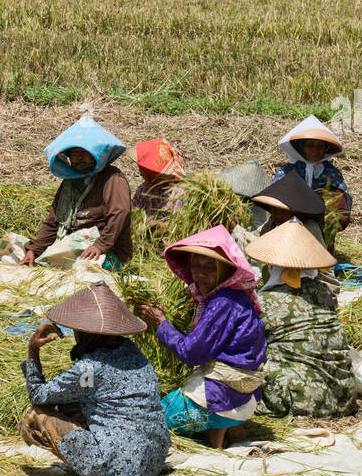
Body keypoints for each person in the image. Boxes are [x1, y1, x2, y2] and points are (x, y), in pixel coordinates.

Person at [18, 282, 170, 476]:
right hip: (152, 465)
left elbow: (38, 395)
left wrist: (33, 350)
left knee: (35, 416)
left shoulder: (89, 369)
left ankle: (93, 469)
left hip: (116, 474)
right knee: (72, 401)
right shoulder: (133, 351)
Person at [140, 225, 267, 449]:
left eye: (210, 267)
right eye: (196, 266)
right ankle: (227, 428)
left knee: (156, 419)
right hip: (245, 397)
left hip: (225, 397)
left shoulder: (222, 303)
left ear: (225, 270)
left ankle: (218, 427)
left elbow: (191, 353)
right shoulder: (231, 296)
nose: (201, 273)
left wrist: (161, 324)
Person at [245, 220, 358, 418]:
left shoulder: (266, 302)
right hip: (342, 396)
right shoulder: (322, 293)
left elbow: (246, 345)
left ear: (273, 266)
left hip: (301, 401)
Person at [20, 117, 132, 270]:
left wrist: (100, 245)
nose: (80, 158)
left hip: (108, 250)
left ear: (96, 154)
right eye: (75, 153)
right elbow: (54, 221)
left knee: (85, 269)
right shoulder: (70, 182)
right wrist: (35, 249)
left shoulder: (112, 177)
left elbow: (120, 212)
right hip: (72, 244)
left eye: (85, 152)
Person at [274, 115, 352, 229]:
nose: (316, 150)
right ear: (301, 147)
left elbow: (341, 213)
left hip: (320, 229)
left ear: (325, 149)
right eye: (310, 145)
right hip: (285, 227)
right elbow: (274, 201)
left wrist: (322, 218)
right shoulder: (287, 171)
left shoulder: (331, 173)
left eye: (320, 146)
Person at [131, 139, 185, 216]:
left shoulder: (179, 191)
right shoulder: (144, 189)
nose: (140, 170)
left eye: (144, 168)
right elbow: (135, 212)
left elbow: (180, 221)